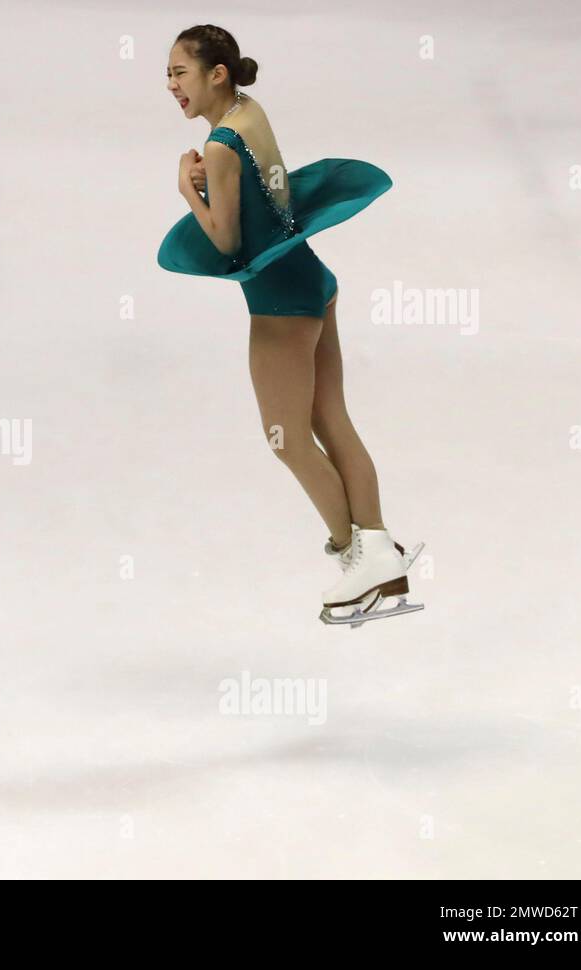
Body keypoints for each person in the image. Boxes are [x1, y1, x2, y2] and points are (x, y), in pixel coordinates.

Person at [157, 24, 423, 628]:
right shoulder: (249, 112)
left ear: (215, 73)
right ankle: (379, 547)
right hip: (311, 281)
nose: (171, 86)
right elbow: (264, 198)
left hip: (279, 303)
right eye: (168, 76)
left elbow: (225, 242)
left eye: (179, 72)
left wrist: (188, 190)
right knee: (330, 419)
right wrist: (217, 186)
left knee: (286, 438)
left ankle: (355, 554)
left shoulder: (221, 145)